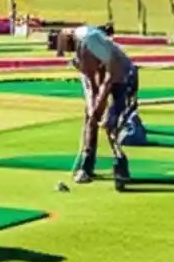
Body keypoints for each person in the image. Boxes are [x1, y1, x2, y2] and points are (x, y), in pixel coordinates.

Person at [56, 24, 140, 188]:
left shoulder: (91, 40)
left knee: (111, 123)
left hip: (123, 79)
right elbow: (92, 83)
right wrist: (93, 107)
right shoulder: (81, 57)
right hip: (107, 79)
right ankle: (87, 165)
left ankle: (121, 165)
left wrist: (101, 101)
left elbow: (110, 74)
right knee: (91, 118)